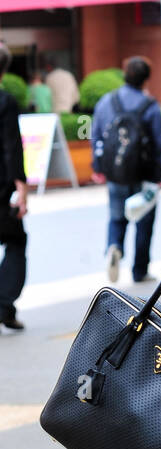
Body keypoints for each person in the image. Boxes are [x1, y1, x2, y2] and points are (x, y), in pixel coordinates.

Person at [91, 55, 161, 285]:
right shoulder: (150, 107)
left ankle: (114, 247)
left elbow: (95, 135)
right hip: (144, 173)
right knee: (144, 221)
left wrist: (98, 166)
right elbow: (160, 143)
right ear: (147, 79)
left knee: (116, 217)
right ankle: (139, 270)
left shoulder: (107, 101)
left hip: (115, 172)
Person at [0, 42, 27, 333]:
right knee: (16, 241)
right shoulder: (4, 101)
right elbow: (11, 146)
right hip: (1, 187)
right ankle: (4, 304)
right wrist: (22, 189)